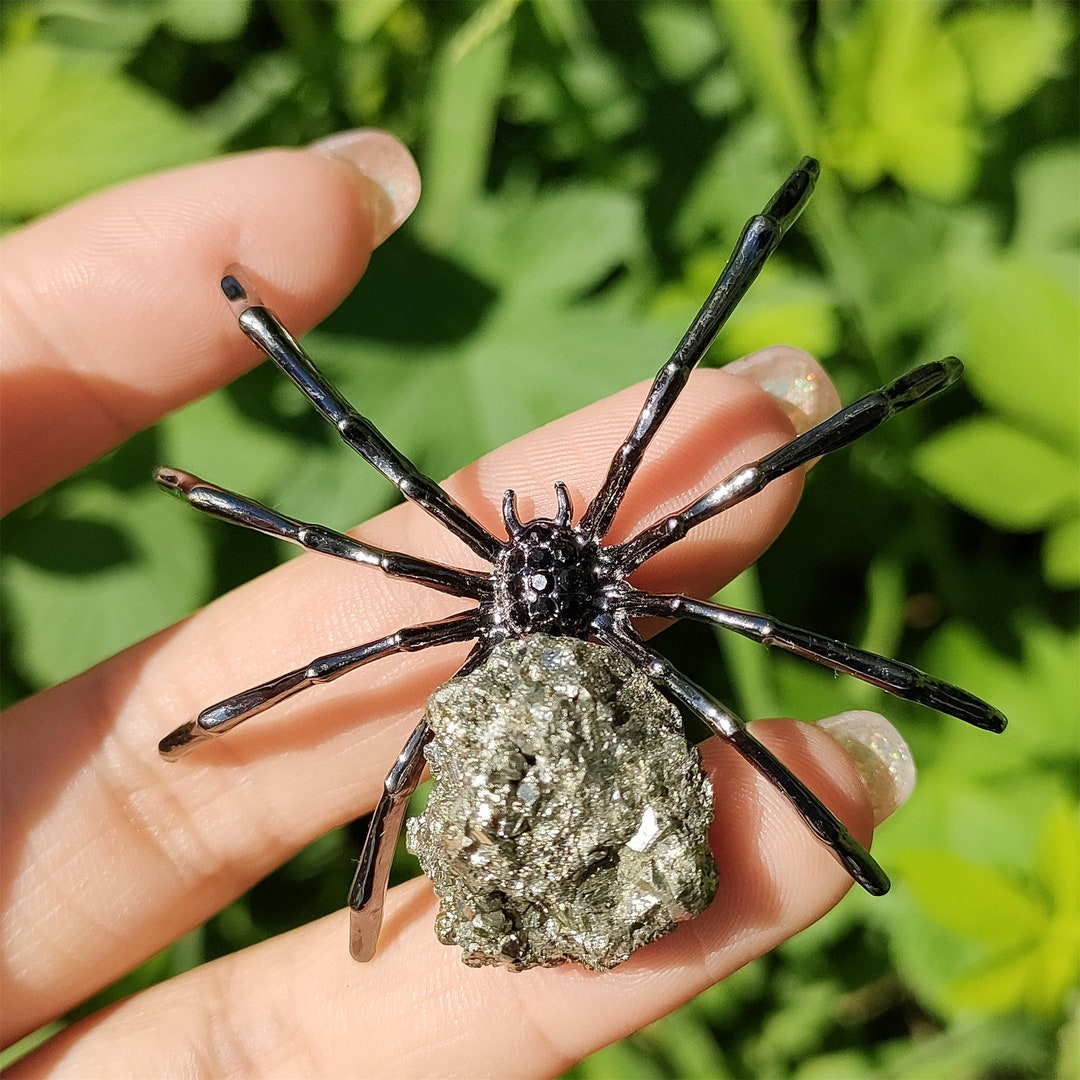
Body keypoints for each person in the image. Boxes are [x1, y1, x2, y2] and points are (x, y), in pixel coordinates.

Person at [0, 130, 912, 1076]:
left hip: (551, 646)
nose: (541, 533)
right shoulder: (610, 564)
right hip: (599, 638)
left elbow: (344, 489)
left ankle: (828, 810)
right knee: (708, 533)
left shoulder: (495, 591)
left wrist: (221, 486)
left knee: (391, 693)